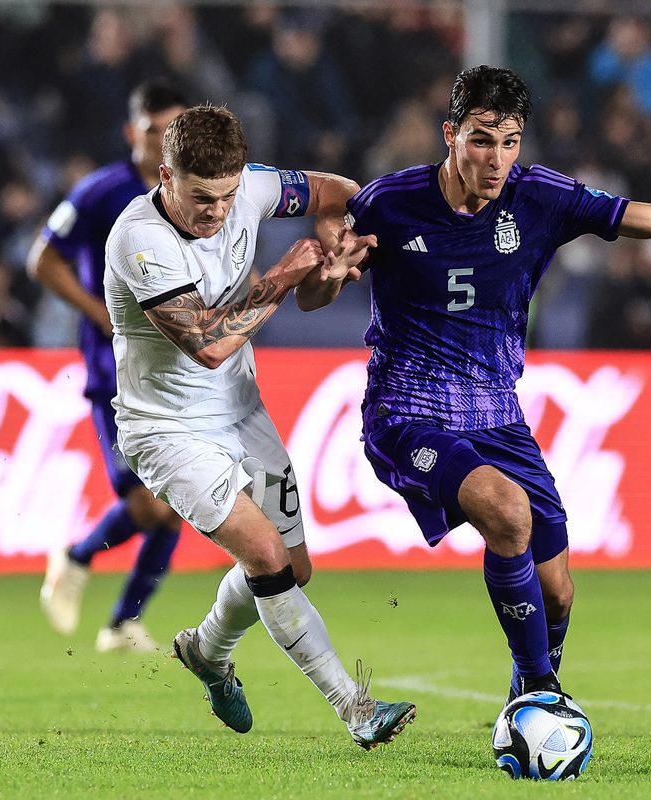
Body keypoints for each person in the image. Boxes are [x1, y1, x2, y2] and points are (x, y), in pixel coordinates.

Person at [310, 65, 651, 705]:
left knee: (557, 590)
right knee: (506, 512)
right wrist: (329, 275)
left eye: (510, 142)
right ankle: (540, 695)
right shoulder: (390, 201)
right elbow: (319, 296)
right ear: (450, 133)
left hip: (498, 415)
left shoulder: (540, 197)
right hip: (407, 412)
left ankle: (529, 682)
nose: (496, 159)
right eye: (482, 140)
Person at [103, 104, 415, 748]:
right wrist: (283, 276)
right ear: (164, 175)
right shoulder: (139, 240)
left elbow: (338, 189)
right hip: (167, 429)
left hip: (241, 410)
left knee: (292, 571)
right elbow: (209, 343)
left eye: (226, 195)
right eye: (199, 197)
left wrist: (332, 237)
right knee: (266, 555)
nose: (217, 211)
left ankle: (207, 651)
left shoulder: (251, 188)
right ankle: (355, 708)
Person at [31, 80, 188, 654]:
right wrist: (98, 312)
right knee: (150, 505)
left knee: (173, 505)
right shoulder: (102, 191)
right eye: (153, 130)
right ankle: (75, 557)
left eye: (175, 130)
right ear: (132, 133)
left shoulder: (191, 194)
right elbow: (41, 259)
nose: (164, 141)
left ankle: (123, 623)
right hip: (113, 369)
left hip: (173, 369)